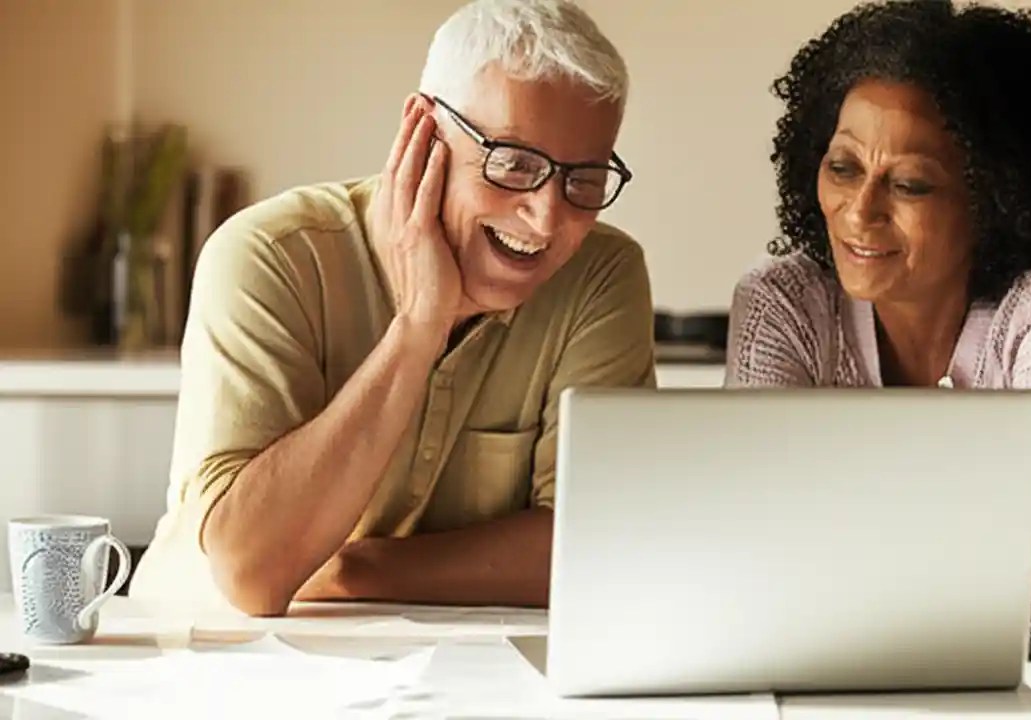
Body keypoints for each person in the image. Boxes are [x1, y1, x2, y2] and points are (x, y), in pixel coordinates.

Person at [130, 0, 654, 616]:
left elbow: (602, 549)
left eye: (585, 180)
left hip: (470, 670)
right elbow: (253, 572)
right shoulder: (266, 256)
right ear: (423, 131)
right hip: (213, 662)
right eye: (513, 164)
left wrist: (349, 568)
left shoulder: (601, 275)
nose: (547, 217)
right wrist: (419, 327)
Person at [726, 0, 1031, 621]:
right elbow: (744, 548)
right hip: (832, 666)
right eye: (843, 168)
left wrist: (818, 539)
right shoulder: (783, 302)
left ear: (998, 198)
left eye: (910, 184)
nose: (859, 210)